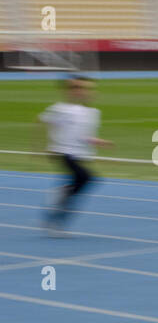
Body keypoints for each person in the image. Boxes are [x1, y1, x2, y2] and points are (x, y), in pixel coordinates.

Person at [39, 74, 112, 233]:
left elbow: (83, 135)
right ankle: (62, 201)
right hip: (64, 152)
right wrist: (49, 145)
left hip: (80, 154)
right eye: (79, 88)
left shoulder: (92, 112)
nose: (85, 92)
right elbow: (44, 122)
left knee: (81, 183)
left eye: (88, 89)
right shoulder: (61, 108)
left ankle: (57, 216)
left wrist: (98, 141)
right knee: (87, 177)